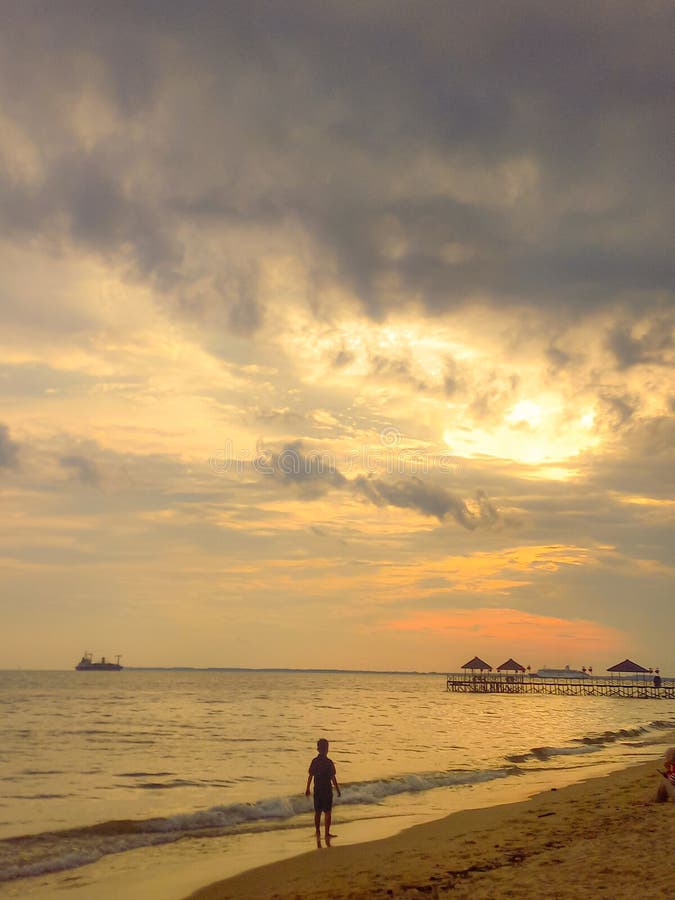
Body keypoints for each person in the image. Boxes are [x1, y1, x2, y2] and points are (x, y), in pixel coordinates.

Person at [305, 737, 341, 847]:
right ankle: (326, 833)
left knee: (318, 811)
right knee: (327, 812)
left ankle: (317, 831)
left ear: (318, 749)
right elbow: (333, 778)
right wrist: (338, 789)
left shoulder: (314, 761)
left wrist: (307, 788)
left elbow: (310, 776)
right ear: (327, 749)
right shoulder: (329, 762)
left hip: (317, 790)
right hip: (326, 790)